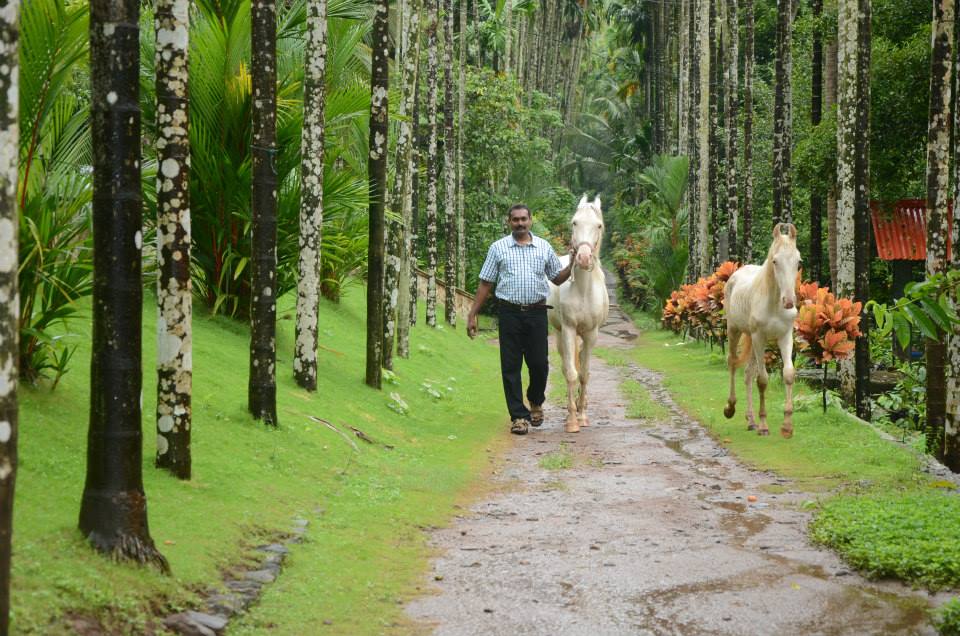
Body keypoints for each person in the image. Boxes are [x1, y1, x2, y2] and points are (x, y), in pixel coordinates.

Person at [467, 204, 573, 435]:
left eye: (524, 219)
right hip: (509, 314)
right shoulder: (498, 248)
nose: (520, 223)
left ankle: (535, 401)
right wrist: (473, 313)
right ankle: (519, 417)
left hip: (536, 313)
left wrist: (573, 261)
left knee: (539, 364)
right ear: (509, 222)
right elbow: (486, 282)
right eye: (515, 220)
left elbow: (557, 278)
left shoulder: (543, 247)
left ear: (530, 220)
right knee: (510, 366)